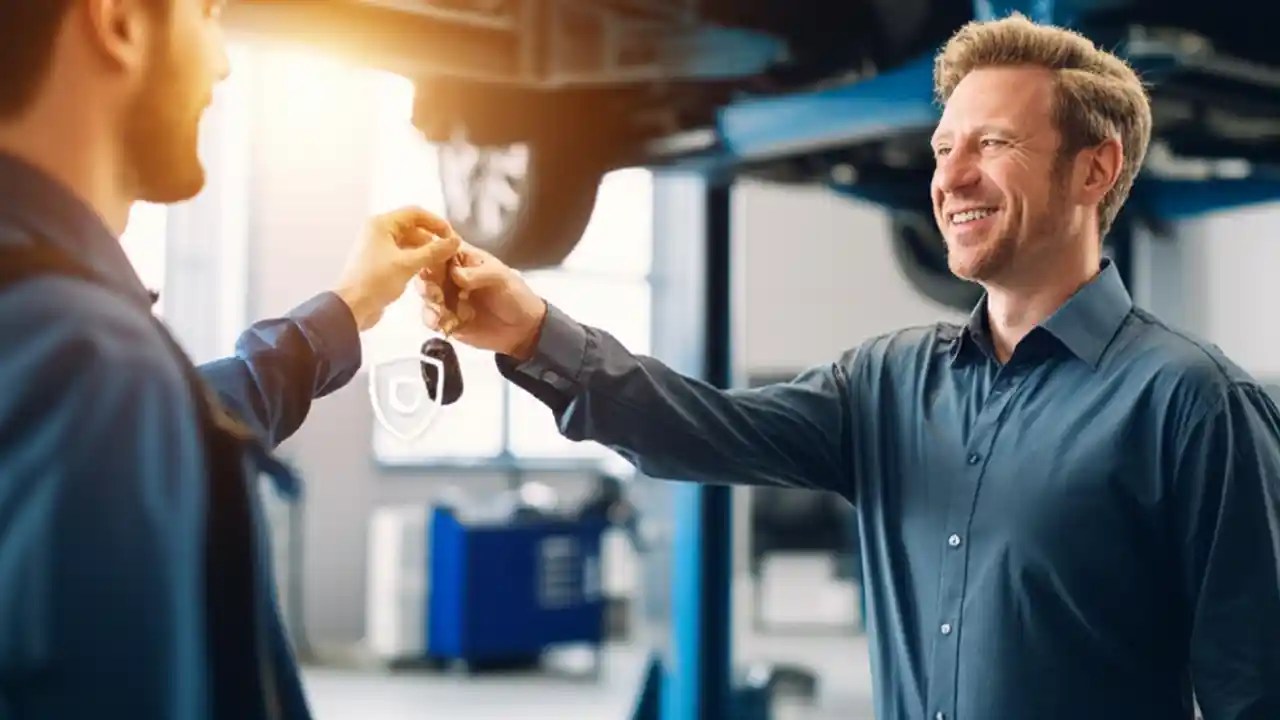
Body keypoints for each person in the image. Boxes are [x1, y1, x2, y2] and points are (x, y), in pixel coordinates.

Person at [422, 13, 1280, 720]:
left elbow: (1256, 691)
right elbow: (702, 429)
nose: (952, 177)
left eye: (993, 143)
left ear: (1095, 168)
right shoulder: (889, 384)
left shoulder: (1192, 405)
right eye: (945, 148)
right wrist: (535, 332)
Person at [0, 1, 458, 718]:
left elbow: (183, 425)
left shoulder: (53, 342)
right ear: (118, 19)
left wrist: (346, 308)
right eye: (207, 13)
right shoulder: (96, 368)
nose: (223, 60)